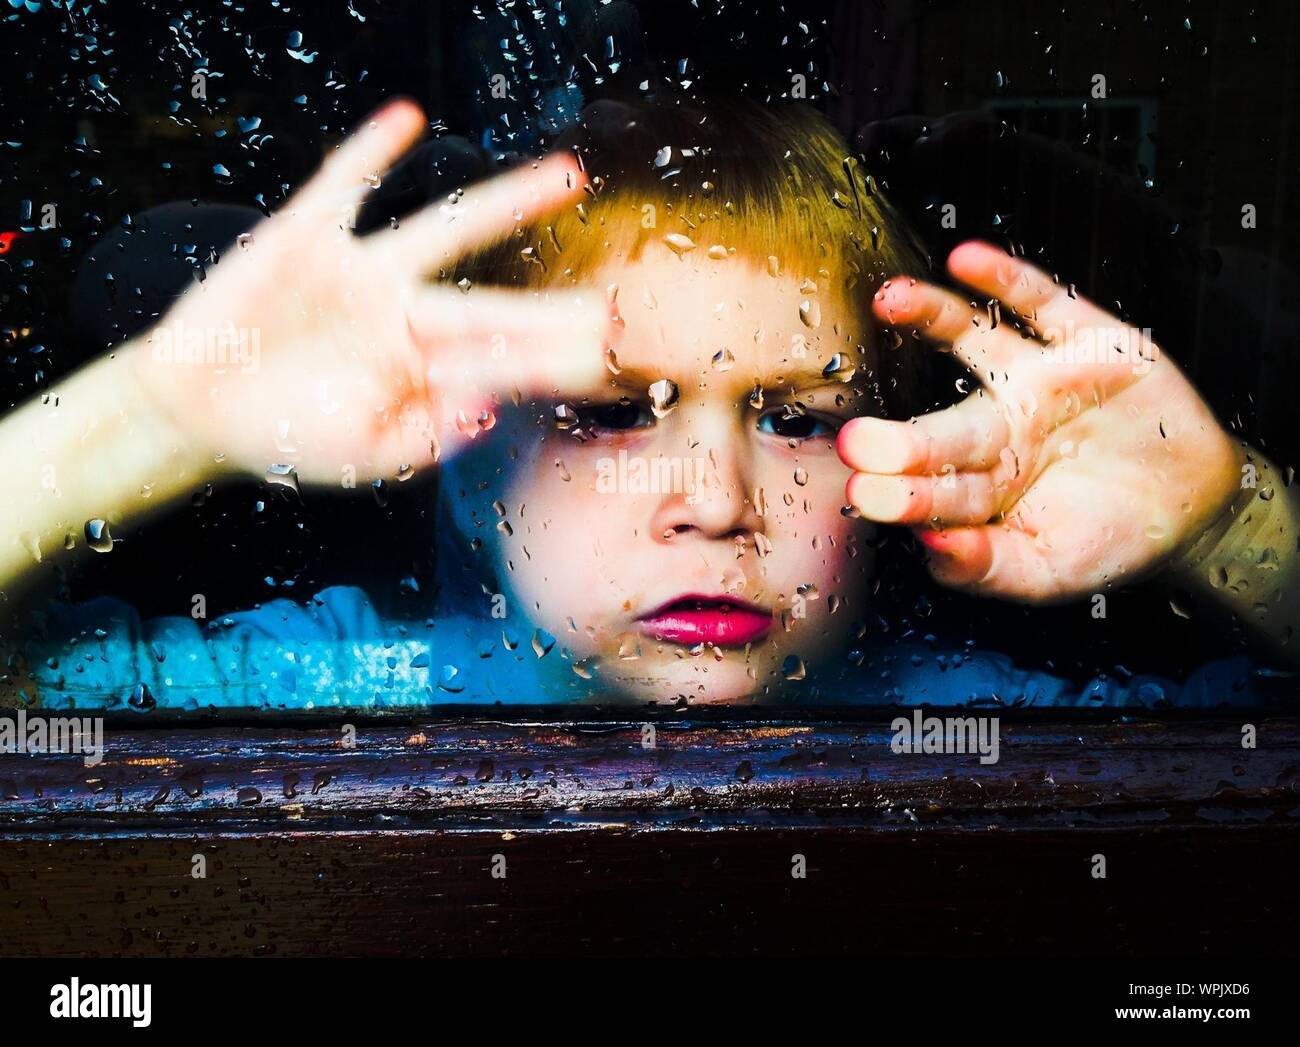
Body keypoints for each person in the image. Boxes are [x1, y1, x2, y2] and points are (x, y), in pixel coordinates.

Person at [3, 96, 1295, 711]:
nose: (715, 505)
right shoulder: (322, 689)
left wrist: (1233, 527)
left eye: (796, 419)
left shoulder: (963, 720)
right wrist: (153, 422)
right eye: (611, 414)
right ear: (458, 455)